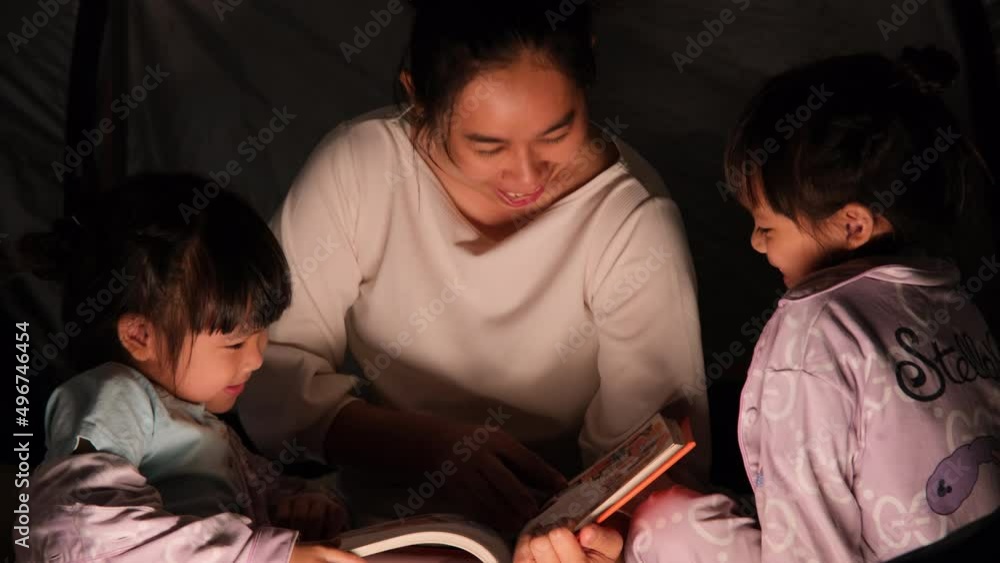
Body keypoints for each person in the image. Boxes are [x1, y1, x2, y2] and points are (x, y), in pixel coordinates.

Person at [237, 0, 710, 533]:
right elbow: (263, 369)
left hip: (553, 523)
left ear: (588, 72)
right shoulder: (362, 171)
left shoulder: (631, 219)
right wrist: (426, 447)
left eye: (556, 134)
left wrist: (580, 532)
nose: (527, 176)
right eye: (488, 146)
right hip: (372, 514)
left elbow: (654, 457)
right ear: (418, 97)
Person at [515, 46, 1000, 562]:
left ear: (852, 225)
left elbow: (811, 552)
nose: (755, 243)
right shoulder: (953, 303)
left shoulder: (813, 330)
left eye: (767, 227)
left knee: (664, 523)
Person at [14, 174, 365, 563]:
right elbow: (77, 527)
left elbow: (258, 497)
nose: (256, 359)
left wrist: (303, 506)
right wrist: (263, 555)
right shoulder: (115, 396)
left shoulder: (205, 425)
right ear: (140, 335)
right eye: (235, 343)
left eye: (262, 333)